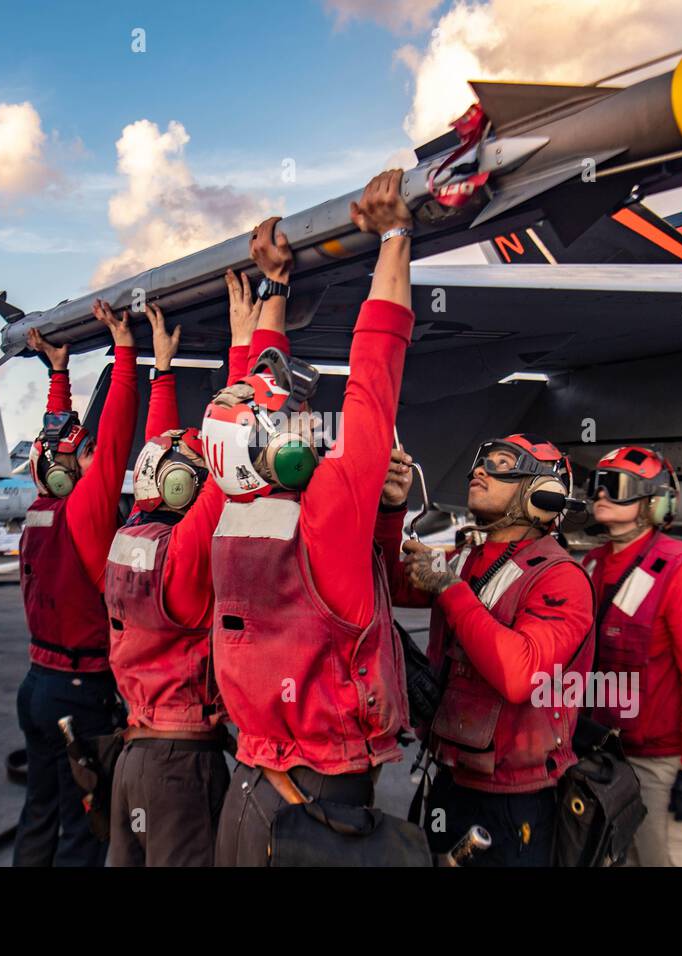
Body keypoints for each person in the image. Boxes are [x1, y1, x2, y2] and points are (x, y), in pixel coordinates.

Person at [201, 170, 416, 866]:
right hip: (324, 806)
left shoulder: (230, 516)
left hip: (253, 789)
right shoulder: (326, 511)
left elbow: (260, 391)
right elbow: (374, 376)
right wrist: (393, 235)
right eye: (291, 418)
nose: (303, 424)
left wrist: (275, 288)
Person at [104, 263, 292, 867]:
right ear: (184, 482)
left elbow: (168, 453)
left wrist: (162, 371)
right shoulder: (184, 558)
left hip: (134, 757)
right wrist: (246, 348)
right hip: (179, 766)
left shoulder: (133, 536)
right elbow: (227, 446)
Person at [383, 434, 595, 867]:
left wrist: (448, 587)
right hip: (450, 783)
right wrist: (391, 510)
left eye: (501, 463)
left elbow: (521, 675)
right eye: (482, 462)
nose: (479, 470)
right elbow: (385, 581)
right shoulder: (468, 557)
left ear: (543, 494)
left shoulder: (561, 578)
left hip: (516, 801)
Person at [12, 301, 138, 867]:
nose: (96, 460)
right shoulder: (86, 512)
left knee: (39, 814)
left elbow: (57, 443)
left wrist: (58, 376)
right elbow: (113, 439)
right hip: (81, 694)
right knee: (84, 829)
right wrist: (128, 356)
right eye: (86, 457)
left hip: (37, 686)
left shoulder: (41, 509)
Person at [582, 445, 682, 866]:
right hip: (610, 762)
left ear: (652, 502)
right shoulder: (592, 566)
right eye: (598, 487)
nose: (602, 496)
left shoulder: (681, 571)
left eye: (617, 487)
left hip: (667, 764)